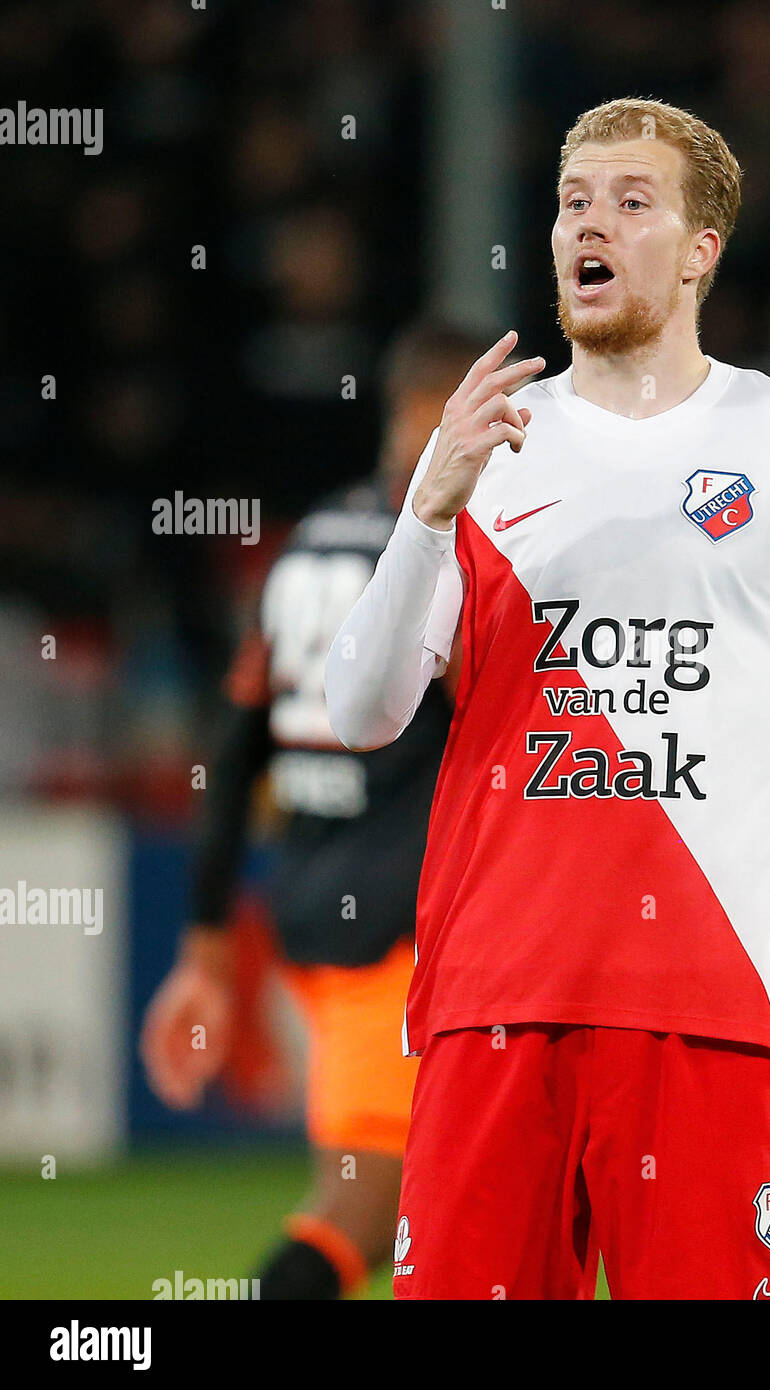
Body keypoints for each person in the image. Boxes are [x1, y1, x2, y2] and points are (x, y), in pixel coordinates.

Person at [325, 99, 770, 1301]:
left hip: (708, 1004)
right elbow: (362, 712)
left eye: (629, 202)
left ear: (700, 247)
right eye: (572, 203)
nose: (589, 227)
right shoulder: (489, 444)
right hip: (491, 1004)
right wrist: (428, 506)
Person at [140, 324, 480, 1298]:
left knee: (427, 1208)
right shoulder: (448, 556)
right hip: (407, 930)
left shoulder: (307, 547)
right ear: (428, 412)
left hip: (315, 908)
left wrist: (205, 950)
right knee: (370, 1207)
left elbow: (232, 749)